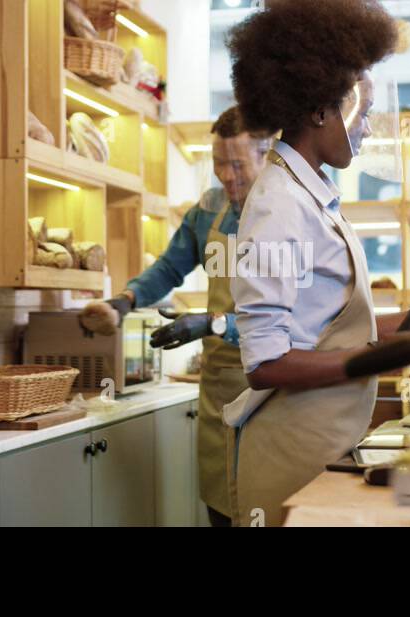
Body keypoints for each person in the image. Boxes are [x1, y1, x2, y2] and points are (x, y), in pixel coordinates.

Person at [224, 0, 410, 527]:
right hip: (290, 456)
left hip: (323, 443)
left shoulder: (310, 196)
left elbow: (327, 330)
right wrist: (378, 354)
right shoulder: (277, 205)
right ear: (318, 109)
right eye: (361, 112)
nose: (368, 130)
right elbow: (265, 362)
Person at [85, 107, 270, 527]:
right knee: (221, 505)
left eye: (237, 164)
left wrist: (212, 322)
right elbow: (170, 268)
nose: (226, 175)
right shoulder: (209, 211)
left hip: (273, 388)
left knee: (266, 504)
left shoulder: (287, 214)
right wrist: (125, 300)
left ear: (267, 156)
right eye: (219, 163)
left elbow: (294, 316)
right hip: (220, 386)